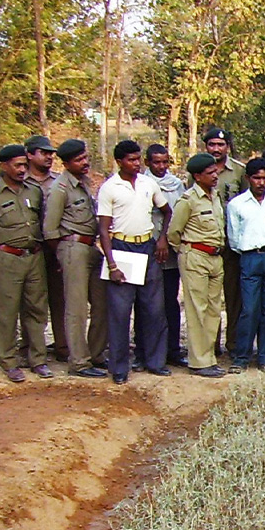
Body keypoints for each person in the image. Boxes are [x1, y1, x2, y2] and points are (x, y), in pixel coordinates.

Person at [97, 140, 172, 384]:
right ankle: (119, 367)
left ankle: (155, 361)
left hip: (147, 247)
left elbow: (166, 210)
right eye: (131, 160)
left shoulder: (148, 184)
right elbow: (104, 230)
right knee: (120, 311)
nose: (136, 163)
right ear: (119, 162)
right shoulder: (110, 188)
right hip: (122, 248)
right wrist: (112, 264)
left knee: (154, 308)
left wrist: (161, 239)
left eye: (138, 159)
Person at [0, 144, 51, 382]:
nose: (22, 170)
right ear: (4, 166)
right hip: (8, 257)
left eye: (24, 165)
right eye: (17, 165)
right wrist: (5, 249)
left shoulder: (34, 191)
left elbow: (40, 221)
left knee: (37, 309)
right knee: (7, 311)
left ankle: (37, 359)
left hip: (34, 256)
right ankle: (9, 361)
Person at [44, 139, 108, 377]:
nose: (84, 163)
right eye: (78, 160)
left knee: (102, 303)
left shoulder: (85, 183)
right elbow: (50, 230)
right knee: (77, 308)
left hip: (91, 248)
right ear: (66, 163)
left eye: (85, 157)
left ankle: (96, 353)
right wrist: (63, 255)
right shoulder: (59, 189)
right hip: (73, 248)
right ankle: (79, 362)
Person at [167, 153, 227, 378]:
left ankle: (209, 357)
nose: (215, 176)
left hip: (215, 257)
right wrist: (186, 252)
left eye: (215, 171)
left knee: (213, 310)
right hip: (195, 256)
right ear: (197, 176)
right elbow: (174, 232)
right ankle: (199, 361)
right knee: (197, 309)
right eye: (210, 173)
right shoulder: (188, 199)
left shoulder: (215, 196)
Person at [226, 158, 265, 371]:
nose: (261, 182)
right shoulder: (237, 204)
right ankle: (242, 357)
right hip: (249, 257)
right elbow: (233, 237)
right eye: (257, 178)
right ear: (248, 178)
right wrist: (246, 252)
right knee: (249, 309)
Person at [23, 135, 66, 361]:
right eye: (44, 152)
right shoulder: (20, 181)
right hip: (31, 248)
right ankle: (31, 347)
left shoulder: (58, 182)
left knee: (60, 298)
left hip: (56, 247)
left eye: (51, 153)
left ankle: (62, 346)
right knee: (32, 300)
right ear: (29, 154)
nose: (49, 157)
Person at [145, 144, 187, 366]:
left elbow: (179, 213)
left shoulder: (176, 185)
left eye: (164, 162)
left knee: (170, 301)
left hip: (170, 251)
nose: (161, 167)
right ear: (147, 163)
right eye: (156, 162)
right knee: (147, 302)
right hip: (146, 248)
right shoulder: (142, 183)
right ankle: (147, 351)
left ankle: (173, 350)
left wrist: (171, 242)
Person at [206, 128, 245, 352]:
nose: (216, 149)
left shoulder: (239, 172)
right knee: (210, 299)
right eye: (212, 145)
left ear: (227, 147)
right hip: (208, 241)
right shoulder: (197, 169)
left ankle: (233, 344)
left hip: (232, 244)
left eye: (220, 145)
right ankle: (211, 345)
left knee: (233, 298)